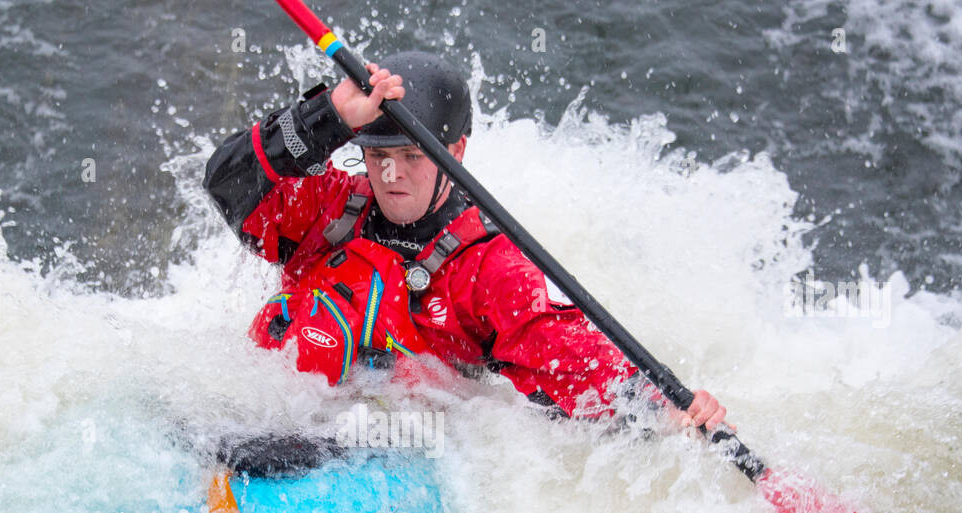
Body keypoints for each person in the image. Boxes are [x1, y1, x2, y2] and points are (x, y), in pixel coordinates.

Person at [203, 51, 731, 431]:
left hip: (385, 448)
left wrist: (662, 407)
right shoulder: (331, 208)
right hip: (267, 412)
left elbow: (568, 357)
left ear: (455, 150)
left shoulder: (488, 268)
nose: (391, 174)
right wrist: (328, 118)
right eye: (378, 155)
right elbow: (227, 183)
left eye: (412, 156)